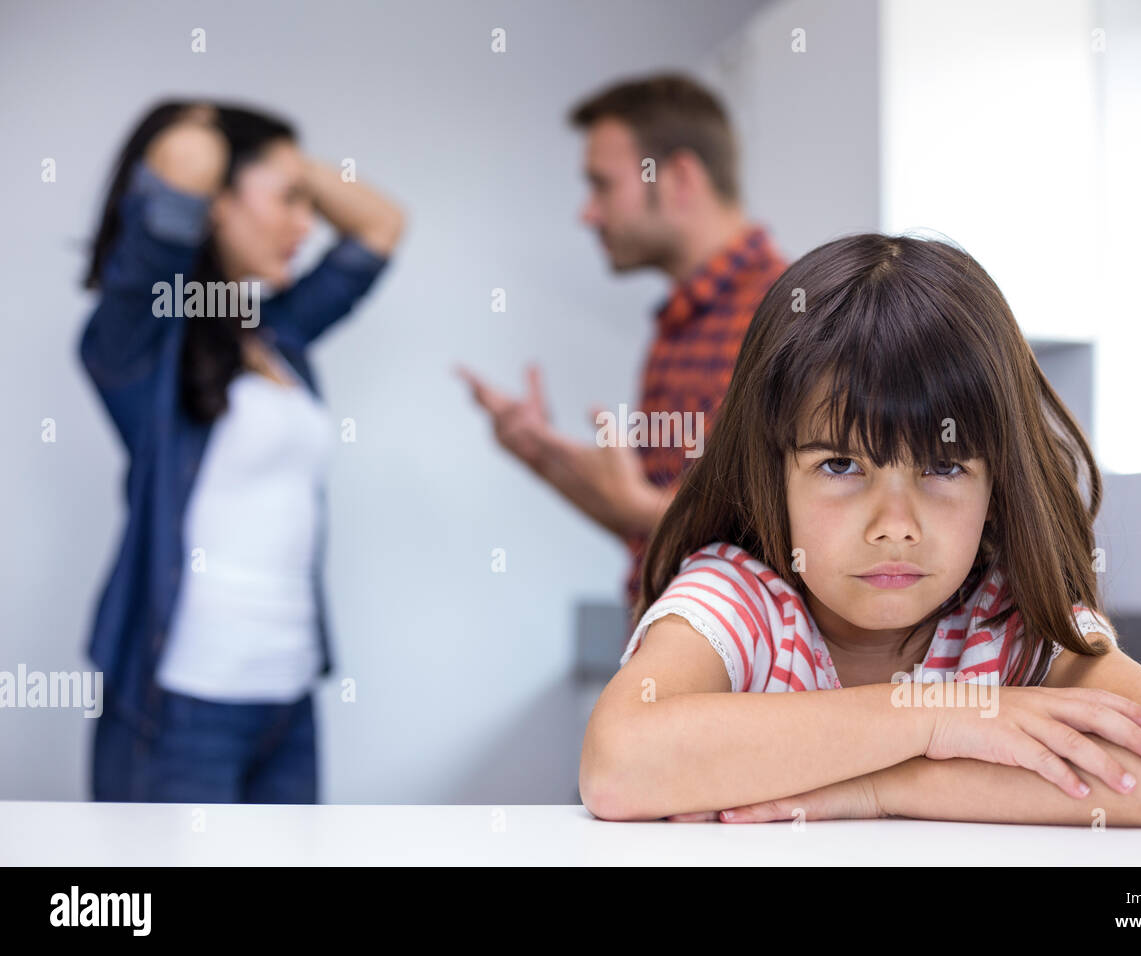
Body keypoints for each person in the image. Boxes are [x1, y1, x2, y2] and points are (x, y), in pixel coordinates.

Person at [579, 233, 1141, 827]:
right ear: (767, 474)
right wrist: (936, 717)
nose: (895, 528)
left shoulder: (1009, 620)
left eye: (943, 466)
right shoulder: (741, 600)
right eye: (840, 464)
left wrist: (880, 786)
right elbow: (617, 765)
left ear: (997, 485)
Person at [79, 101, 404, 802]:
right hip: (181, 711)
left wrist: (287, 167)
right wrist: (211, 122)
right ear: (217, 207)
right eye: (286, 200)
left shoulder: (277, 334)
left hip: (287, 700)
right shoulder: (140, 341)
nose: (306, 223)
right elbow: (187, 165)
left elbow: (381, 227)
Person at [456, 73, 786, 619]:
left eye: (602, 185)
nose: (587, 212)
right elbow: (655, 526)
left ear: (679, 177)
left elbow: (787, 543)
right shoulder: (681, 322)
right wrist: (543, 457)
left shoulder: (789, 315)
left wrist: (640, 505)